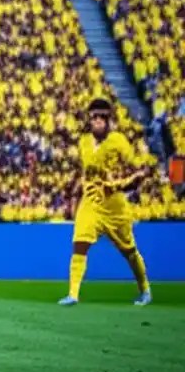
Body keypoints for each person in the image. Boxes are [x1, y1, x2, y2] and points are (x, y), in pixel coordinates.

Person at [58, 98, 153, 307]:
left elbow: (139, 170)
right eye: (95, 117)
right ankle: (73, 294)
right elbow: (83, 171)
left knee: (128, 249)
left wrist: (119, 183)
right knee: (79, 243)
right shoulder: (84, 141)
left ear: (109, 119)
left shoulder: (118, 140)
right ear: (89, 119)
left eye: (103, 117)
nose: (98, 120)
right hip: (91, 201)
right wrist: (74, 193)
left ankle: (145, 289)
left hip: (113, 204)